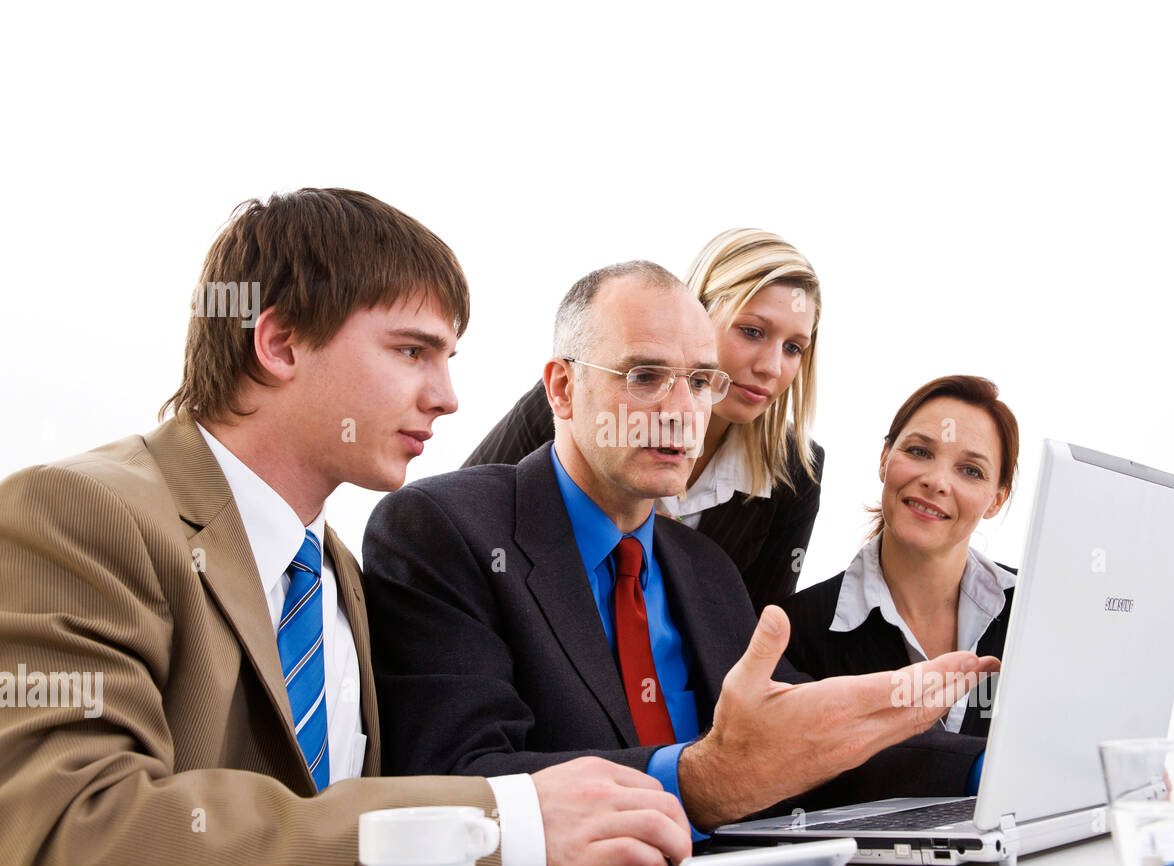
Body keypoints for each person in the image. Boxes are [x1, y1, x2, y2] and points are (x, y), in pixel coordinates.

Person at [0, 189, 692, 866]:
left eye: (448, 359)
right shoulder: (75, 513)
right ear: (279, 342)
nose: (446, 397)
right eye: (412, 352)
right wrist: (498, 822)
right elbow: (71, 832)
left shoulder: (340, 577)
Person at [364, 261, 997, 836]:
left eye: (700, 382)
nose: (681, 412)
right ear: (561, 389)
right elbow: (460, 780)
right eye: (645, 376)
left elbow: (797, 739)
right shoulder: (438, 530)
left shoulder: (707, 570)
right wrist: (698, 783)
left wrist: (994, 768)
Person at [464, 228, 825, 613]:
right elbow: (461, 522)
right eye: (752, 332)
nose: (771, 367)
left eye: (793, 348)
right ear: (696, 312)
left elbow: (753, 631)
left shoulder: (796, 472)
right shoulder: (581, 399)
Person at [778, 375, 1019, 799]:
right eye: (919, 451)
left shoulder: (1035, 609)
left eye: (970, 470)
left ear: (997, 499)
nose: (937, 481)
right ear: (885, 457)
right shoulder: (798, 629)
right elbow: (810, 773)